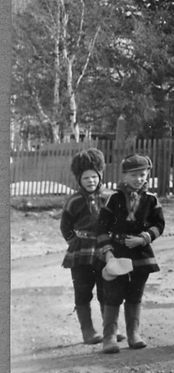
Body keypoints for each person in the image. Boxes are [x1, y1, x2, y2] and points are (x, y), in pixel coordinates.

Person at [96, 153, 165, 353]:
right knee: (113, 295)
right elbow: (101, 227)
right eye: (133, 175)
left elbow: (159, 224)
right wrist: (108, 253)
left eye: (142, 175)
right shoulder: (114, 198)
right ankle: (109, 337)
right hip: (117, 253)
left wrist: (144, 238)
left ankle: (133, 334)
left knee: (135, 294)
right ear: (124, 176)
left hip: (141, 254)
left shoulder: (152, 200)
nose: (138, 179)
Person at [60, 148, 112, 345]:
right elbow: (66, 227)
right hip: (81, 253)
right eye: (85, 178)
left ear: (99, 176)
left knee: (106, 289)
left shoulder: (110, 197)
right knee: (82, 290)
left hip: (104, 250)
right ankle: (88, 331)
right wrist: (75, 242)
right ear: (78, 180)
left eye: (94, 177)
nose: (90, 181)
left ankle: (110, 329)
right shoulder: (73, 201)